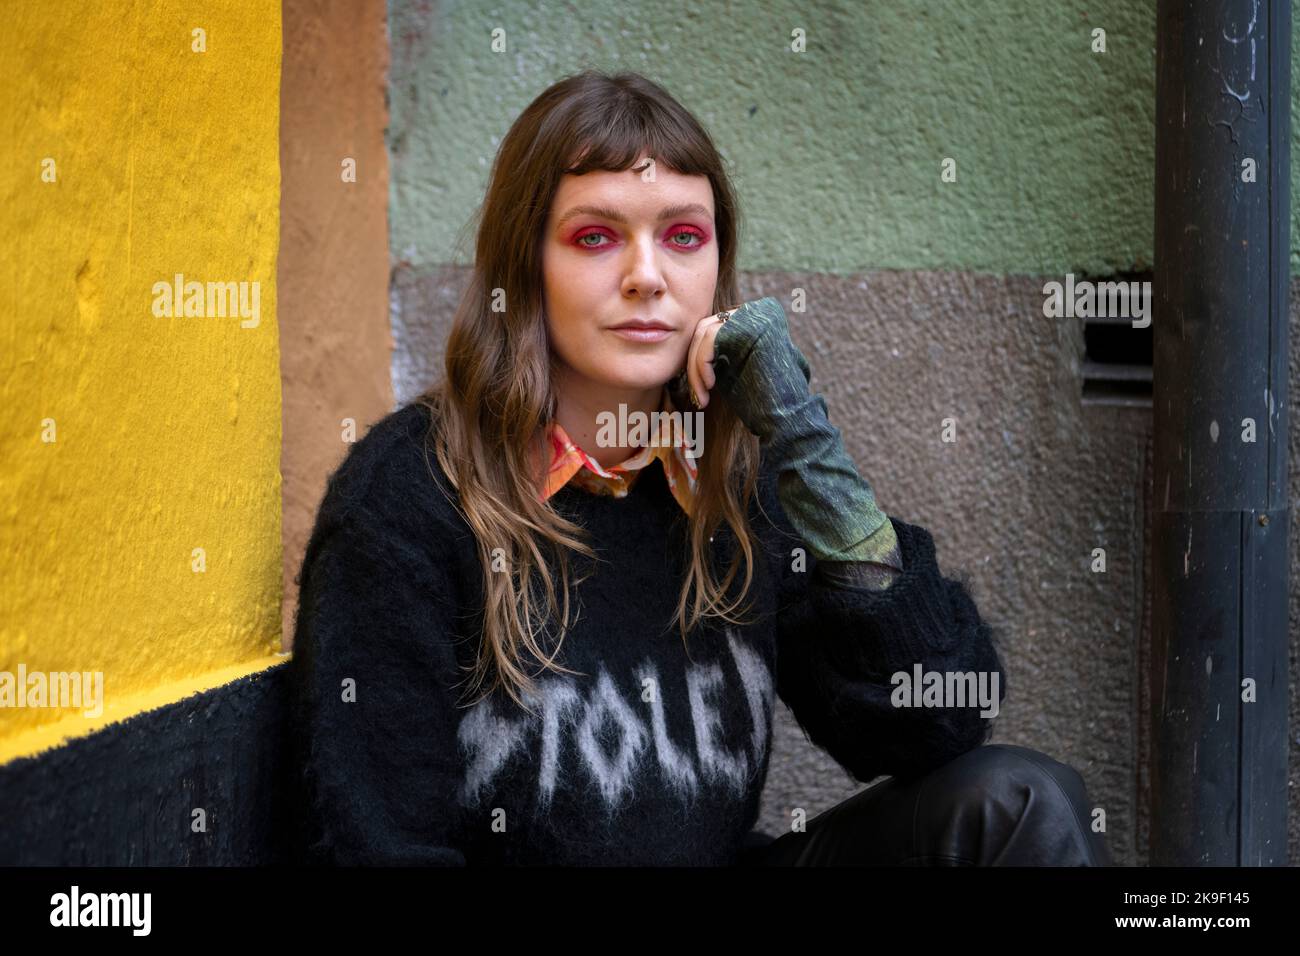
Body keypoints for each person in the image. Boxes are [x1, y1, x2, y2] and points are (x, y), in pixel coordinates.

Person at [286, 69, 1111, 867]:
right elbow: (383, 845)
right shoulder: (411, 495)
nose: (648, 277)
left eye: (683, 237)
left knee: (1017, 805)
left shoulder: (734, 476)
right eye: (595, 237)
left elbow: (930, 727)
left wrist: (803, 439)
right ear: (524, 266)